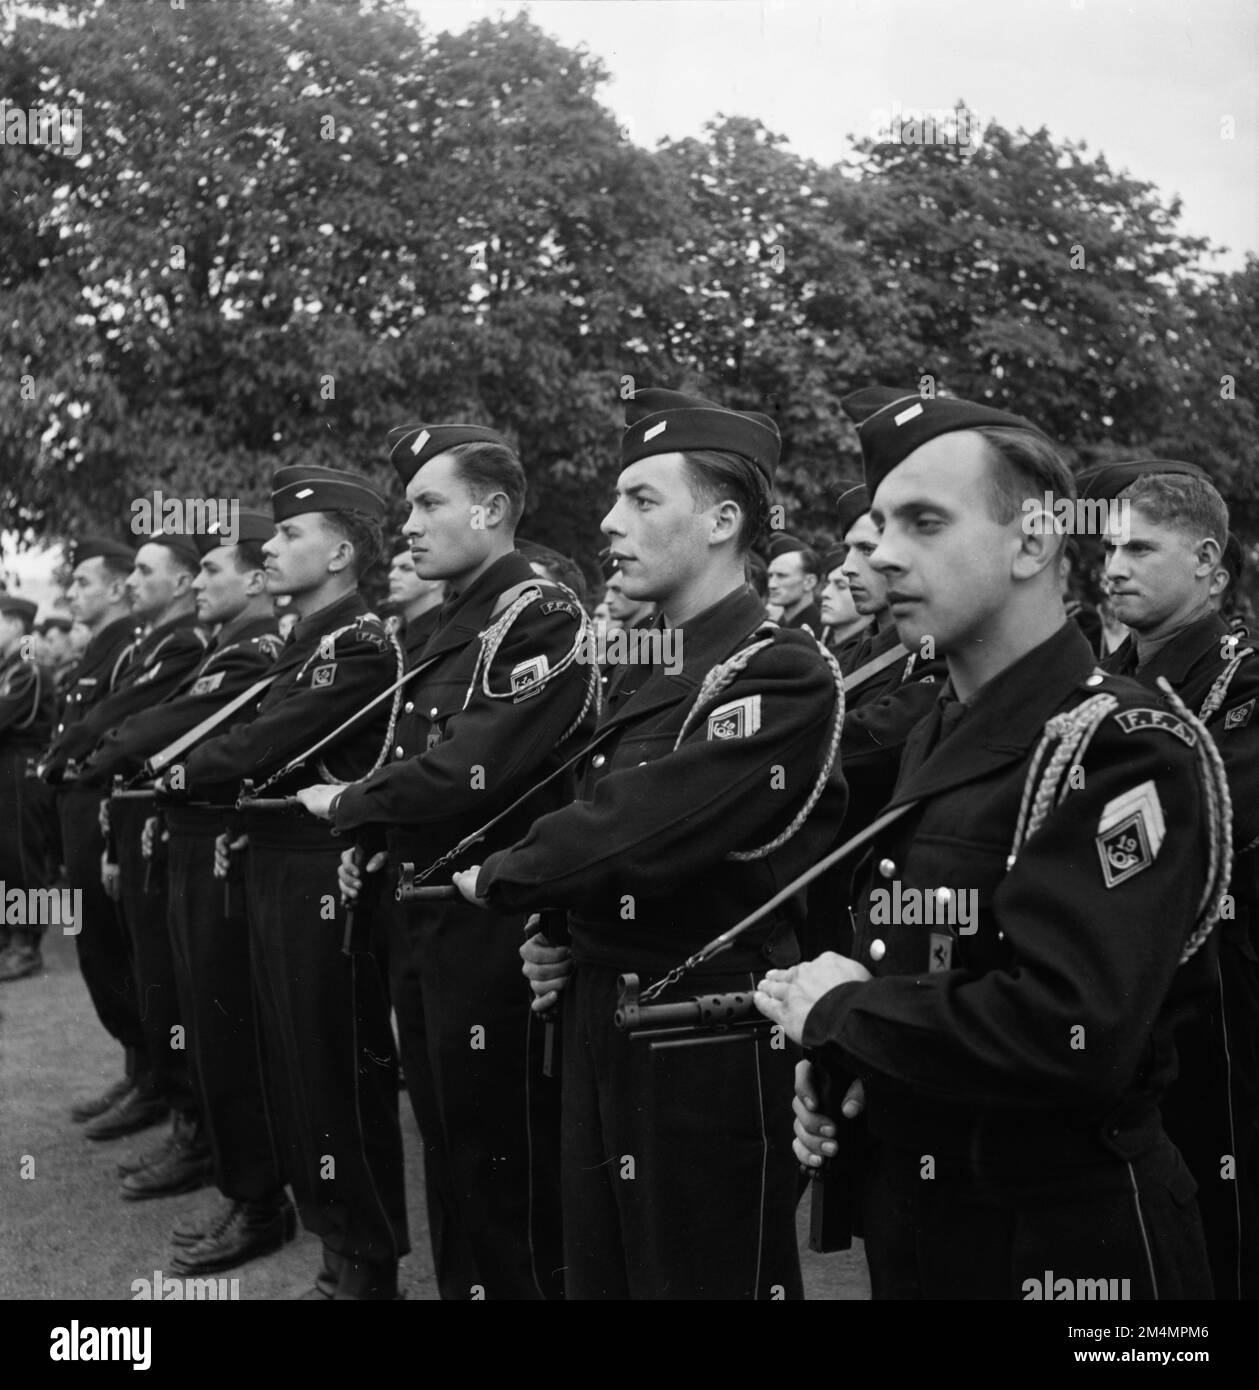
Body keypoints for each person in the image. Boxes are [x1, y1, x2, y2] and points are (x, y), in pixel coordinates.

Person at [758, 387, 1225, 1301]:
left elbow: (1069, 1029)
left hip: (1066, 1241)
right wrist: (850, 1068)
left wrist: (847, 1017)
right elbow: (928, 952)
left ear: (1033, 540)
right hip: (928, 1219)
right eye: (881, 523)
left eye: (924, 522)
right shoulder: (946, 725)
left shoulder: (1119, 745)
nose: (882, 553)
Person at [452, 387, 847, 1300]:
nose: (608, 521)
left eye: (641, 500)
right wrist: (556, 928)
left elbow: (638, 829)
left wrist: (503, 878)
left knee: (700, 1272)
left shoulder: (776, 667)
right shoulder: (660, 666)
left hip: (699, 1025)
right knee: (604, 1267)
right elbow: (600, 818)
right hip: (606, 1004)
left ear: (720, 520)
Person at [321, 423, 595, 1300]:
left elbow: (475, 761)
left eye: (429, 503)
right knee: (449, 1151)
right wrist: (371, 839)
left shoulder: (540, 616)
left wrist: (350, 805)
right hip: (423, 919)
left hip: (491, 930)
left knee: (500, 1161)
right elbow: (415, 757)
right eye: (408, 506)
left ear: (494, 510)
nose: (408, 524)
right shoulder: (451, 622)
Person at [173, 465, 407, 1300]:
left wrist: (182, 771)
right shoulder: (307, 640)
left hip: (319, 867)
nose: (268, 548)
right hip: (274, 857)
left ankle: (362, 1262)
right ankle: (330, 1243)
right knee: (286, 1064)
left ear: (341, 553)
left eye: (288, 535)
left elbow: (257, 746)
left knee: (331, 1071)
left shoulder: (359, 646)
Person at [78, 512, 292, 1255]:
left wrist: (109, 751)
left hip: (217, 844)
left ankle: (254, 1192)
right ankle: (223, 1164)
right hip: (185, 833)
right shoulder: (227, 645)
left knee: (220, 1025)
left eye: (212, 570)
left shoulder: (256, 648)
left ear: (257, 579)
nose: (199, 582)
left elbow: (178, 731)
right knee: (191, 1013)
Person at [1084, 459, 1259, 1300]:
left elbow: (1195, 823)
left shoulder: (1243, 677)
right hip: (1112, 992)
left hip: (1214, 994)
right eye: (1109, 547)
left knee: (1214, 1231)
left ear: (1207, 568)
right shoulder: (1098, 682)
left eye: (1140, 548)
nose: (1113, 565)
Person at [0, 596, 57, 981]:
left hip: (23, 767)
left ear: (16, 625)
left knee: (22, 856)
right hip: (7, 765)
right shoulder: (9, 667)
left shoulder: (27, 668)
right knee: (5, 857)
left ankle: (26, 947)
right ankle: (9, 938)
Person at [817, 543, 869, 664]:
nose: (825, 593)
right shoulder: (819, 638)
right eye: (826, 584)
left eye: (840, 586)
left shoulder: (867, 655)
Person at [766, 537, 823, 635]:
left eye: (782, 576)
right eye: (770, 575)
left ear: (809, 582)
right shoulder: (776, 626)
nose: (771, 585)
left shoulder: (823, 630)